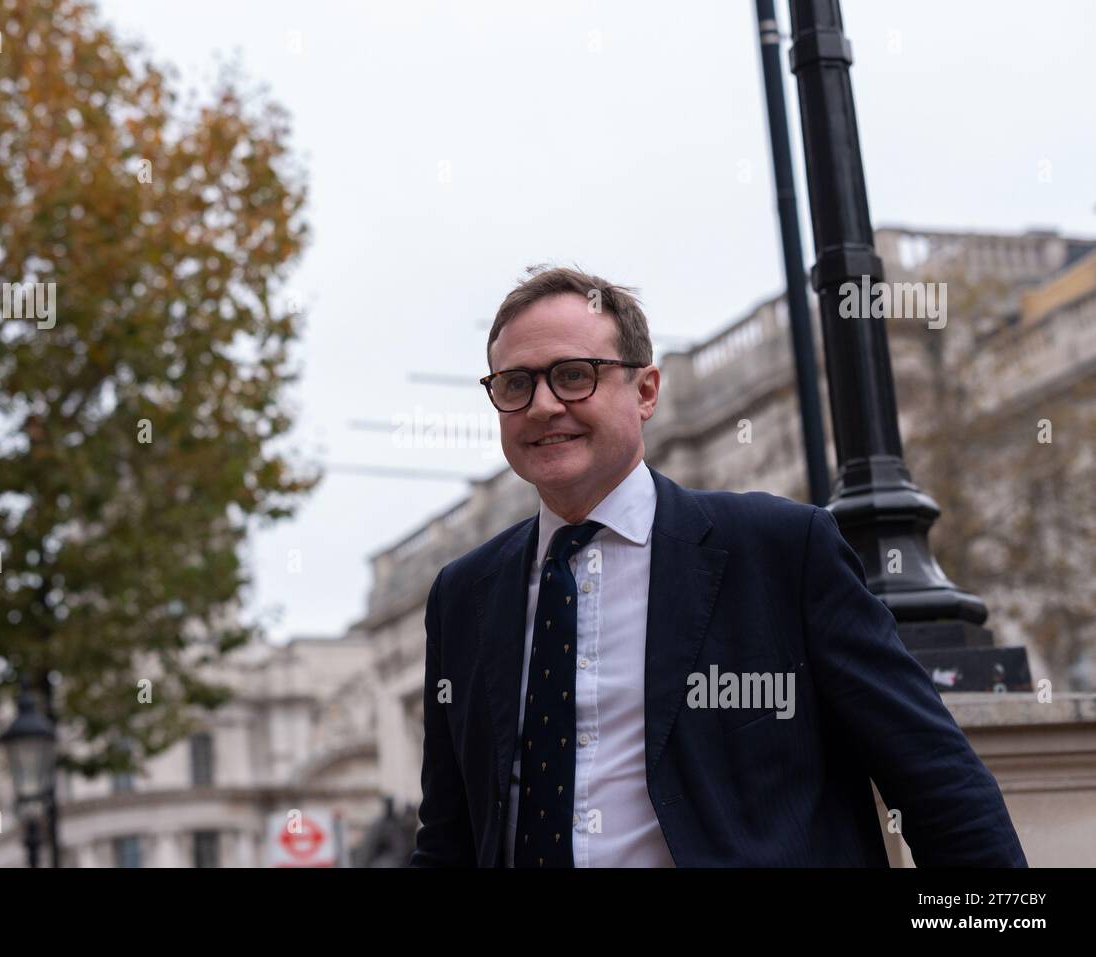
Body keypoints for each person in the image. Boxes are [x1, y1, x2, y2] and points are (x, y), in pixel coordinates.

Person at [408, 265, 1026, 867]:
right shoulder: (464, 594)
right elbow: (448, 836)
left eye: (574, 375)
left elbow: (934, 779)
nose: (543, 405)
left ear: (645, 391)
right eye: (515, 384)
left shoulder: (781, 549)